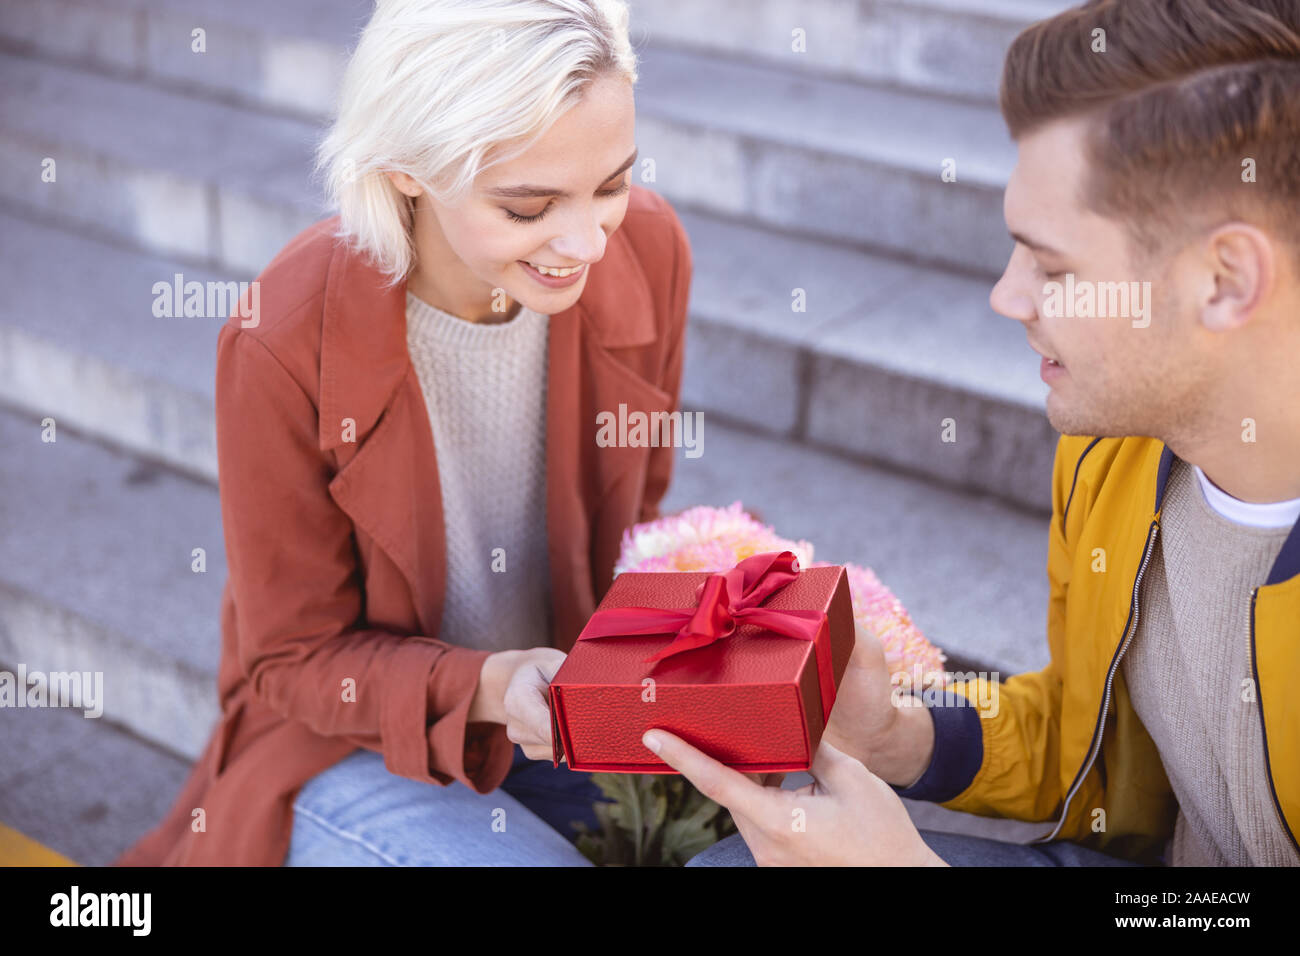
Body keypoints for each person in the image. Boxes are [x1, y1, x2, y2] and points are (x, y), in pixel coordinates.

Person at [673, 0, 1300, 867]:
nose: (1007, 297)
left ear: (1226, 280)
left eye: (1051, 266)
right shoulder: (1112, 451)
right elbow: (1081, 730)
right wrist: (897, 732)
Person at [113, 0, 694, 866]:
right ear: (406, 171)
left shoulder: (648, 247)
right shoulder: (284, 337)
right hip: (349, 740)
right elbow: (294, 659)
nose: (586, 241)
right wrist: (490, 683)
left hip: (566, 706)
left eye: (611, 183)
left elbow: (639, 523)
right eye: (528, 205)